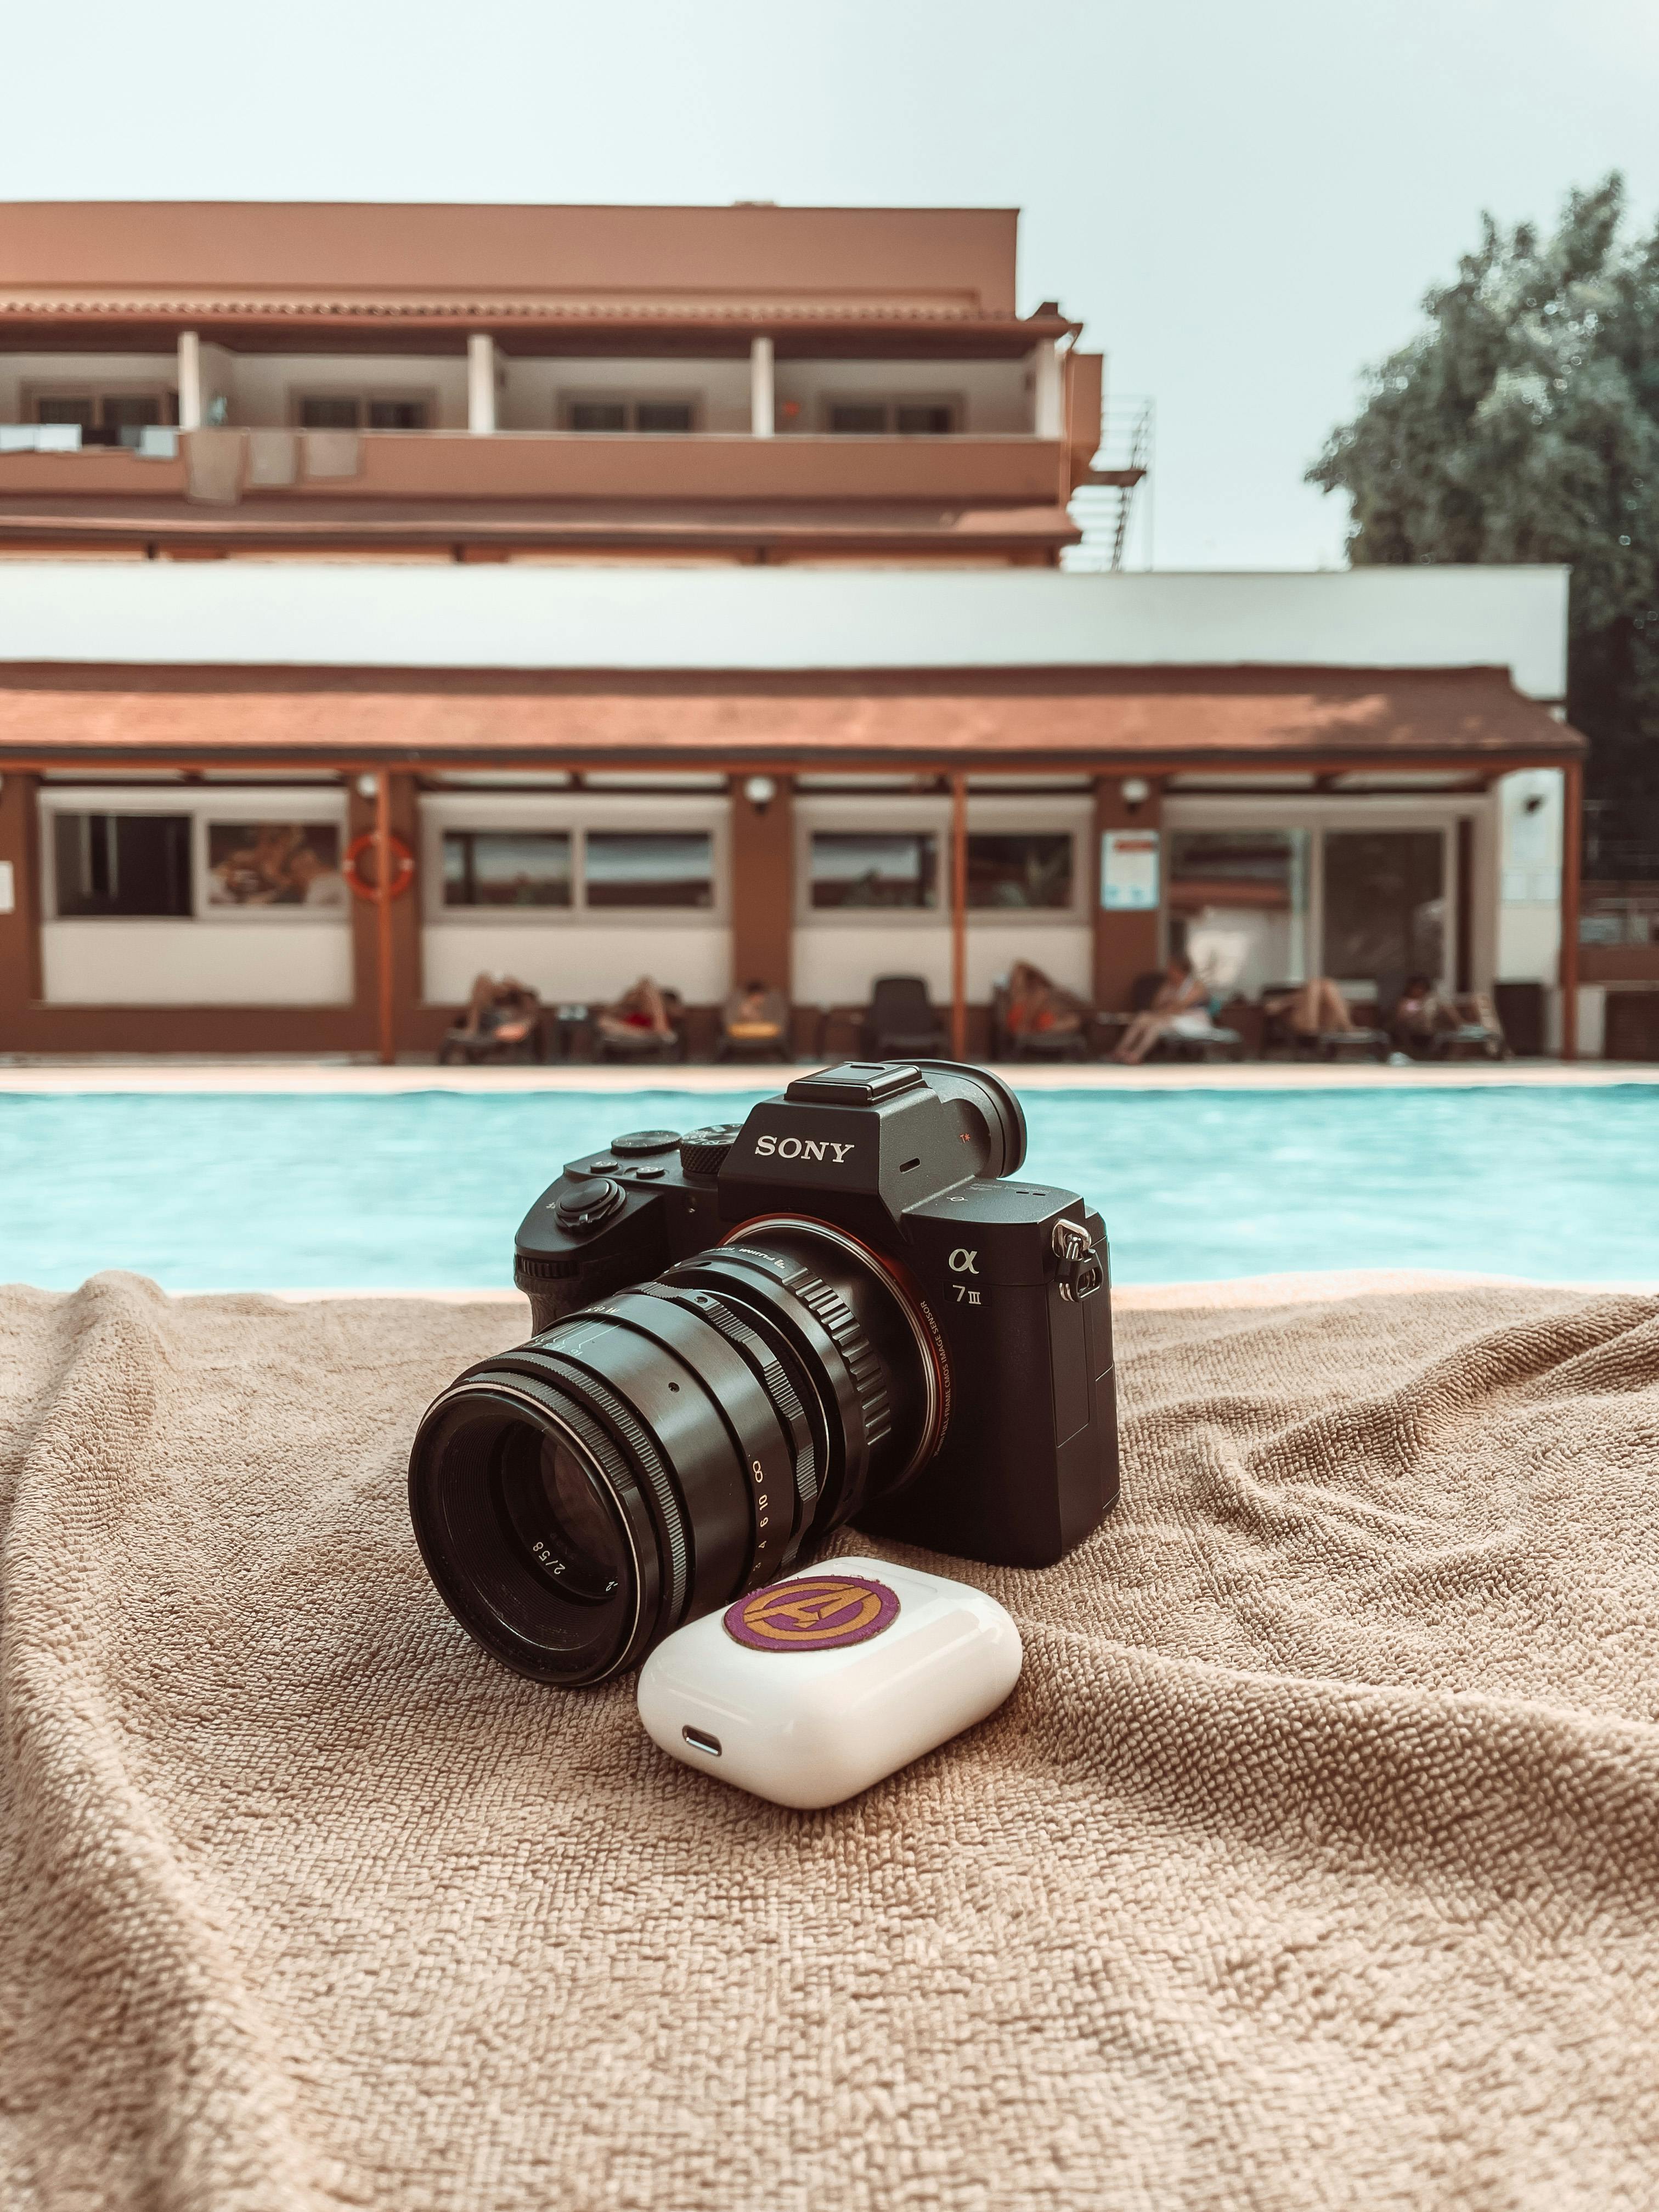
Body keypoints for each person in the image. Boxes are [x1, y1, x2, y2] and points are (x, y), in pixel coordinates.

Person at [1109, 955, 1210, 1065]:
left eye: (1172, 969)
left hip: (1192, 1021)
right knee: (1142, 1018)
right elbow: (1156, 1006)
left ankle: (1136, 1055)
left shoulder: (1196, 986)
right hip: (1170, 1017)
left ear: (1181, 971)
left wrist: (1162, 1012)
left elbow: (1179, 1007)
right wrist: (1167, 995)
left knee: (1156, 1026)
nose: (1169, 972)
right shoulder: (1169, 985)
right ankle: (1120, 1051)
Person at [1005, 960, 1085, 1043]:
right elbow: (1025, 1020)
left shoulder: (1037, 992)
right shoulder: (1027, 994)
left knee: (1074, 1019)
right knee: (1073, 1020)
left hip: (1039, 1024)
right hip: (1030, 1026)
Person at [1262, 977, 1362, 1043]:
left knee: (1328, 985)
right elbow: (1270, 1008)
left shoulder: (1324, 995)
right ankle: (1348, 1027)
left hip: (1326, 1025)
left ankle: (1347, 1027)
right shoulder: (1304, 995)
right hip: (1306, 1025)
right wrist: (1288, 1002)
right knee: (1318, 985)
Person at [456, 973, 540, 1049]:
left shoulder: (525, 1008)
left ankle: (473, 1029)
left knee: (484, 981)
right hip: (492, 1025)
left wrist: (517, 988)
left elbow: (525, 1024)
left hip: (505, 1027)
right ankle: (473, 1029)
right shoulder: (490, 1005)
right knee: (483, 979)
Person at [596, 975, 675, 1048]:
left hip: (647, 1047)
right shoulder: (630, 1014)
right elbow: (605, 1023)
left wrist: (654, 1001)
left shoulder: (660, 1018)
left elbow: (662, 1032)